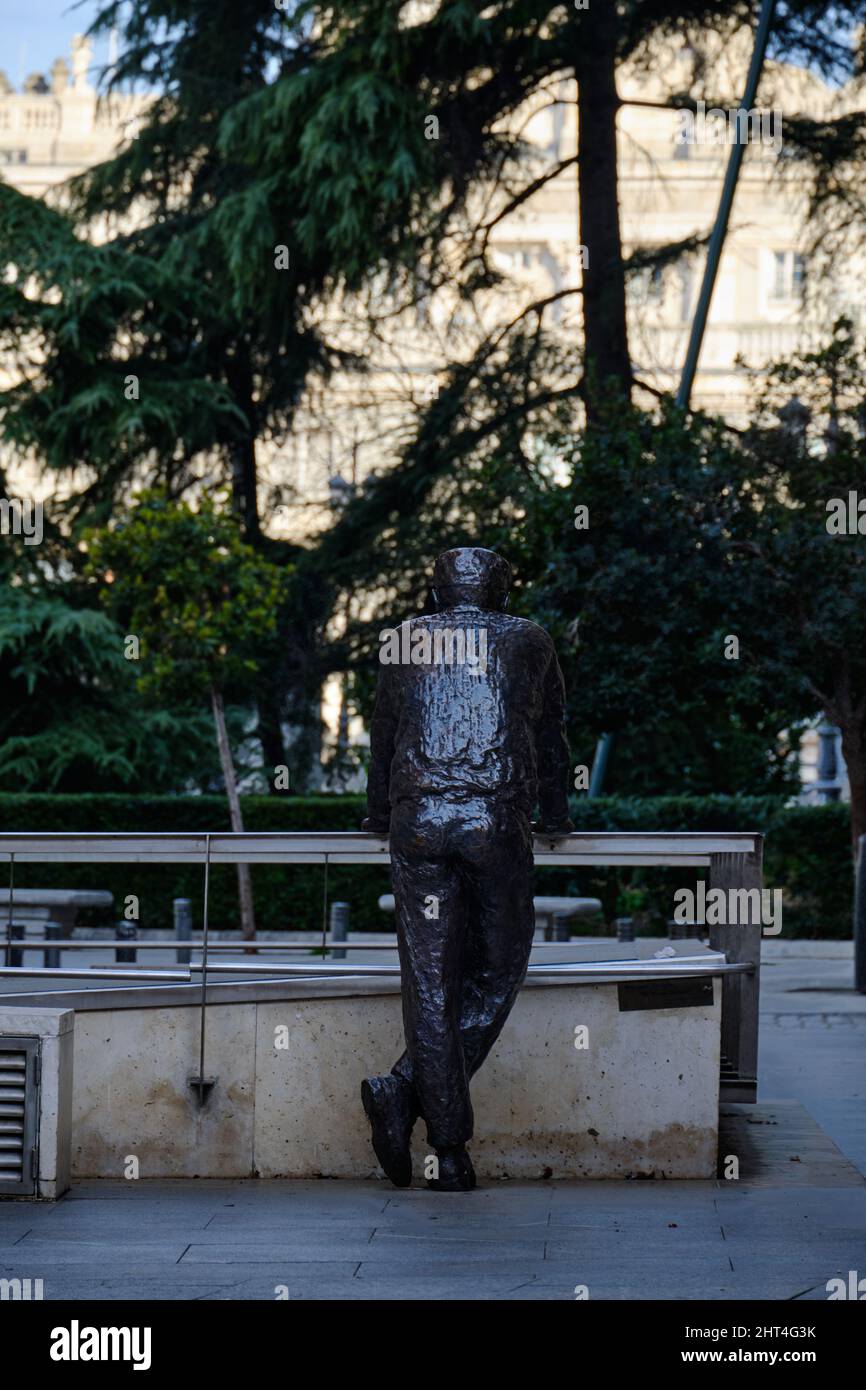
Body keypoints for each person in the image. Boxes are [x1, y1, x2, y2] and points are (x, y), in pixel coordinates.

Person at [361, 547, 573, 1191]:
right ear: (502, 593)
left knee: (430, 980)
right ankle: (442, 1144)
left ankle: (408, 1096)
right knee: (499, 966)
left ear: (435, 592)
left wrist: (378, 815)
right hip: (495, 821)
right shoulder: (530, 641)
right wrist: (557, 815)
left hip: (418, 821)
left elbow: (383, 736)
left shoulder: (403, 642)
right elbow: (552, 736)